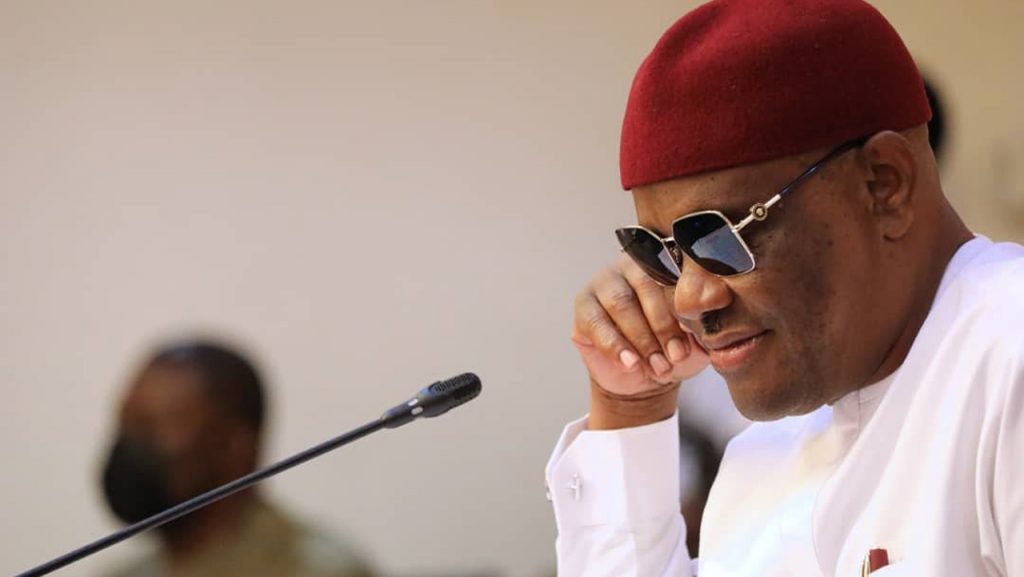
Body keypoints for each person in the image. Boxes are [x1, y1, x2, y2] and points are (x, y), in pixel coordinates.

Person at [545, 1, 1023, 575]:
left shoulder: (1007, 359)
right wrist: (630, 409)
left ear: (884, 184)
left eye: (721, 236)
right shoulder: (769, 451)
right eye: (661, 252)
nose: (688, 300)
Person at [96, 339, 375, 577]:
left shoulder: (318, 570)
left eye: (152, 427)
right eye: (125, 423)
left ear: (233, 446)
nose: (130, 443)